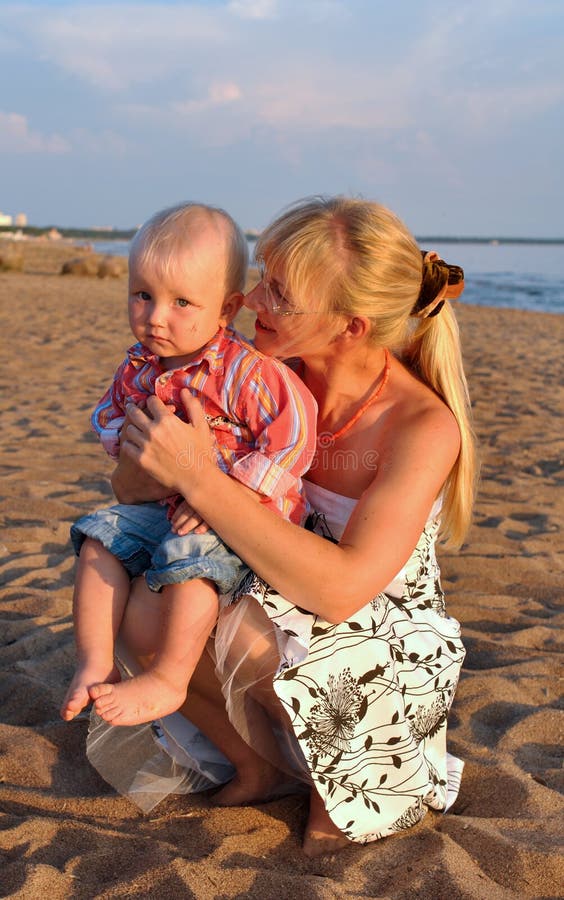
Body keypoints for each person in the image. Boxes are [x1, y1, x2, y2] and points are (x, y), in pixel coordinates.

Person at [88, 196, 475, 855]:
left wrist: (202, 479)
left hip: (379, 629)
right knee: (144, 600)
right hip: (266, 574)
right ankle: (257, 761)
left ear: (350, 327)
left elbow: (341, 590)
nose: (254, 301)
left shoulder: (420, 426)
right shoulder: (257, 377)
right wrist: (159, 461)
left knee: (236, 622)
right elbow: (129, 483)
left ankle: (343, 785)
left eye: (279, 294)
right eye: (263, 276)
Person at [60, 202, 317, 727]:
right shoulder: (138, 365)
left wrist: (234, 497)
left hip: (235, 518)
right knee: (98, 537)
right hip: (165, 501)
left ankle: (170, 678)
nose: (155, 316)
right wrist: (125, 442)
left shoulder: (245, 372)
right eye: (142, 295)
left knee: (192, 562)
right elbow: (108, 416)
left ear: (226, 308)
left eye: (181, 302)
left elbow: (292, 437)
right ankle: (93, 661)